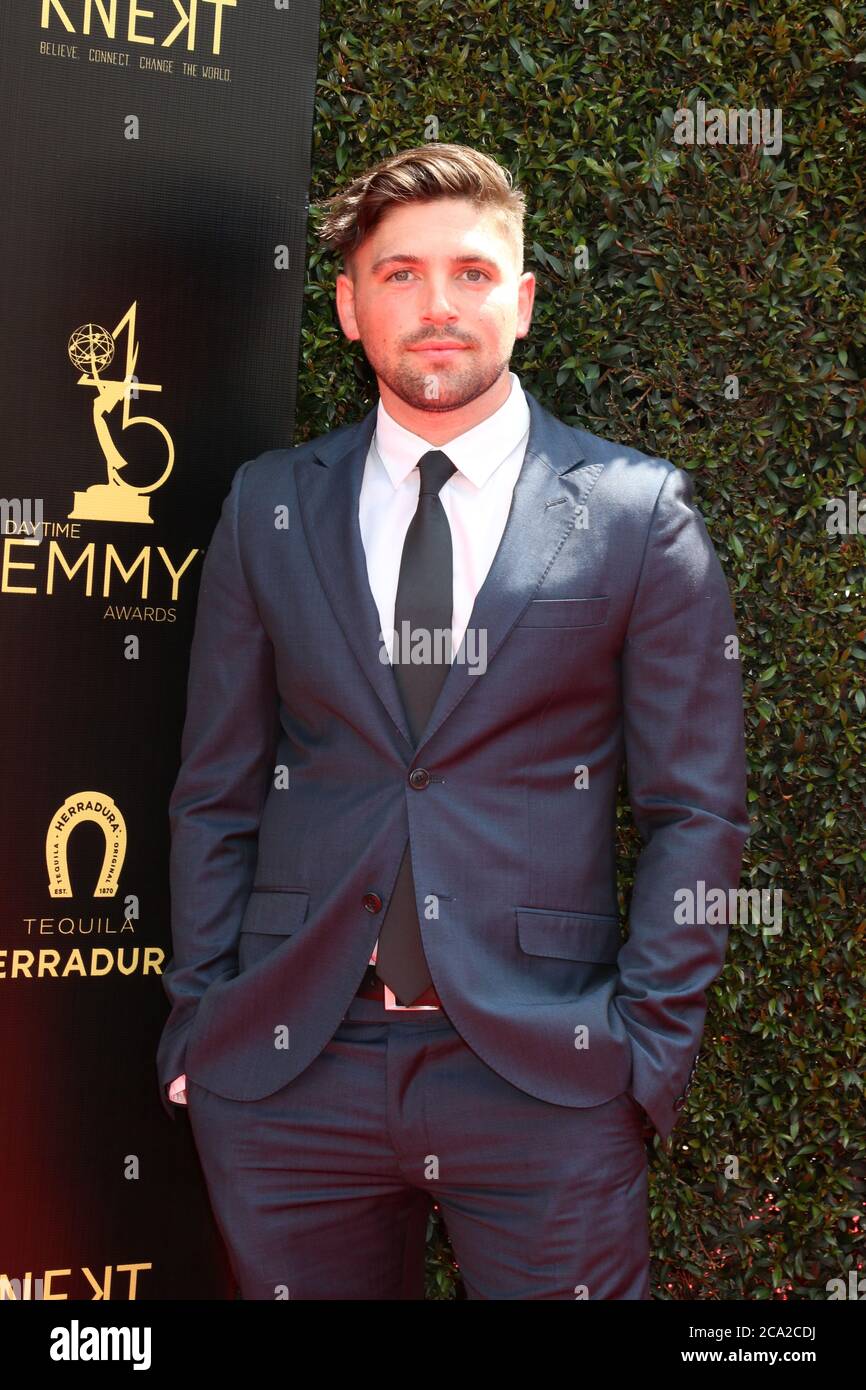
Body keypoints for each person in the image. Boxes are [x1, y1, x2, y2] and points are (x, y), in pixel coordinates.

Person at [156, 142, 750, 1300]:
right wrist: (202, 1025)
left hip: (545, 1074)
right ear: (346, 305)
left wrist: (643, 1052)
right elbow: (216, 787)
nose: (437, 306)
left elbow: (696, 812)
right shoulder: (270, 506)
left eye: (472, 273)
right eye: (399, 274)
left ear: (521, 303)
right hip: (290, 1070)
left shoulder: (635, 516)